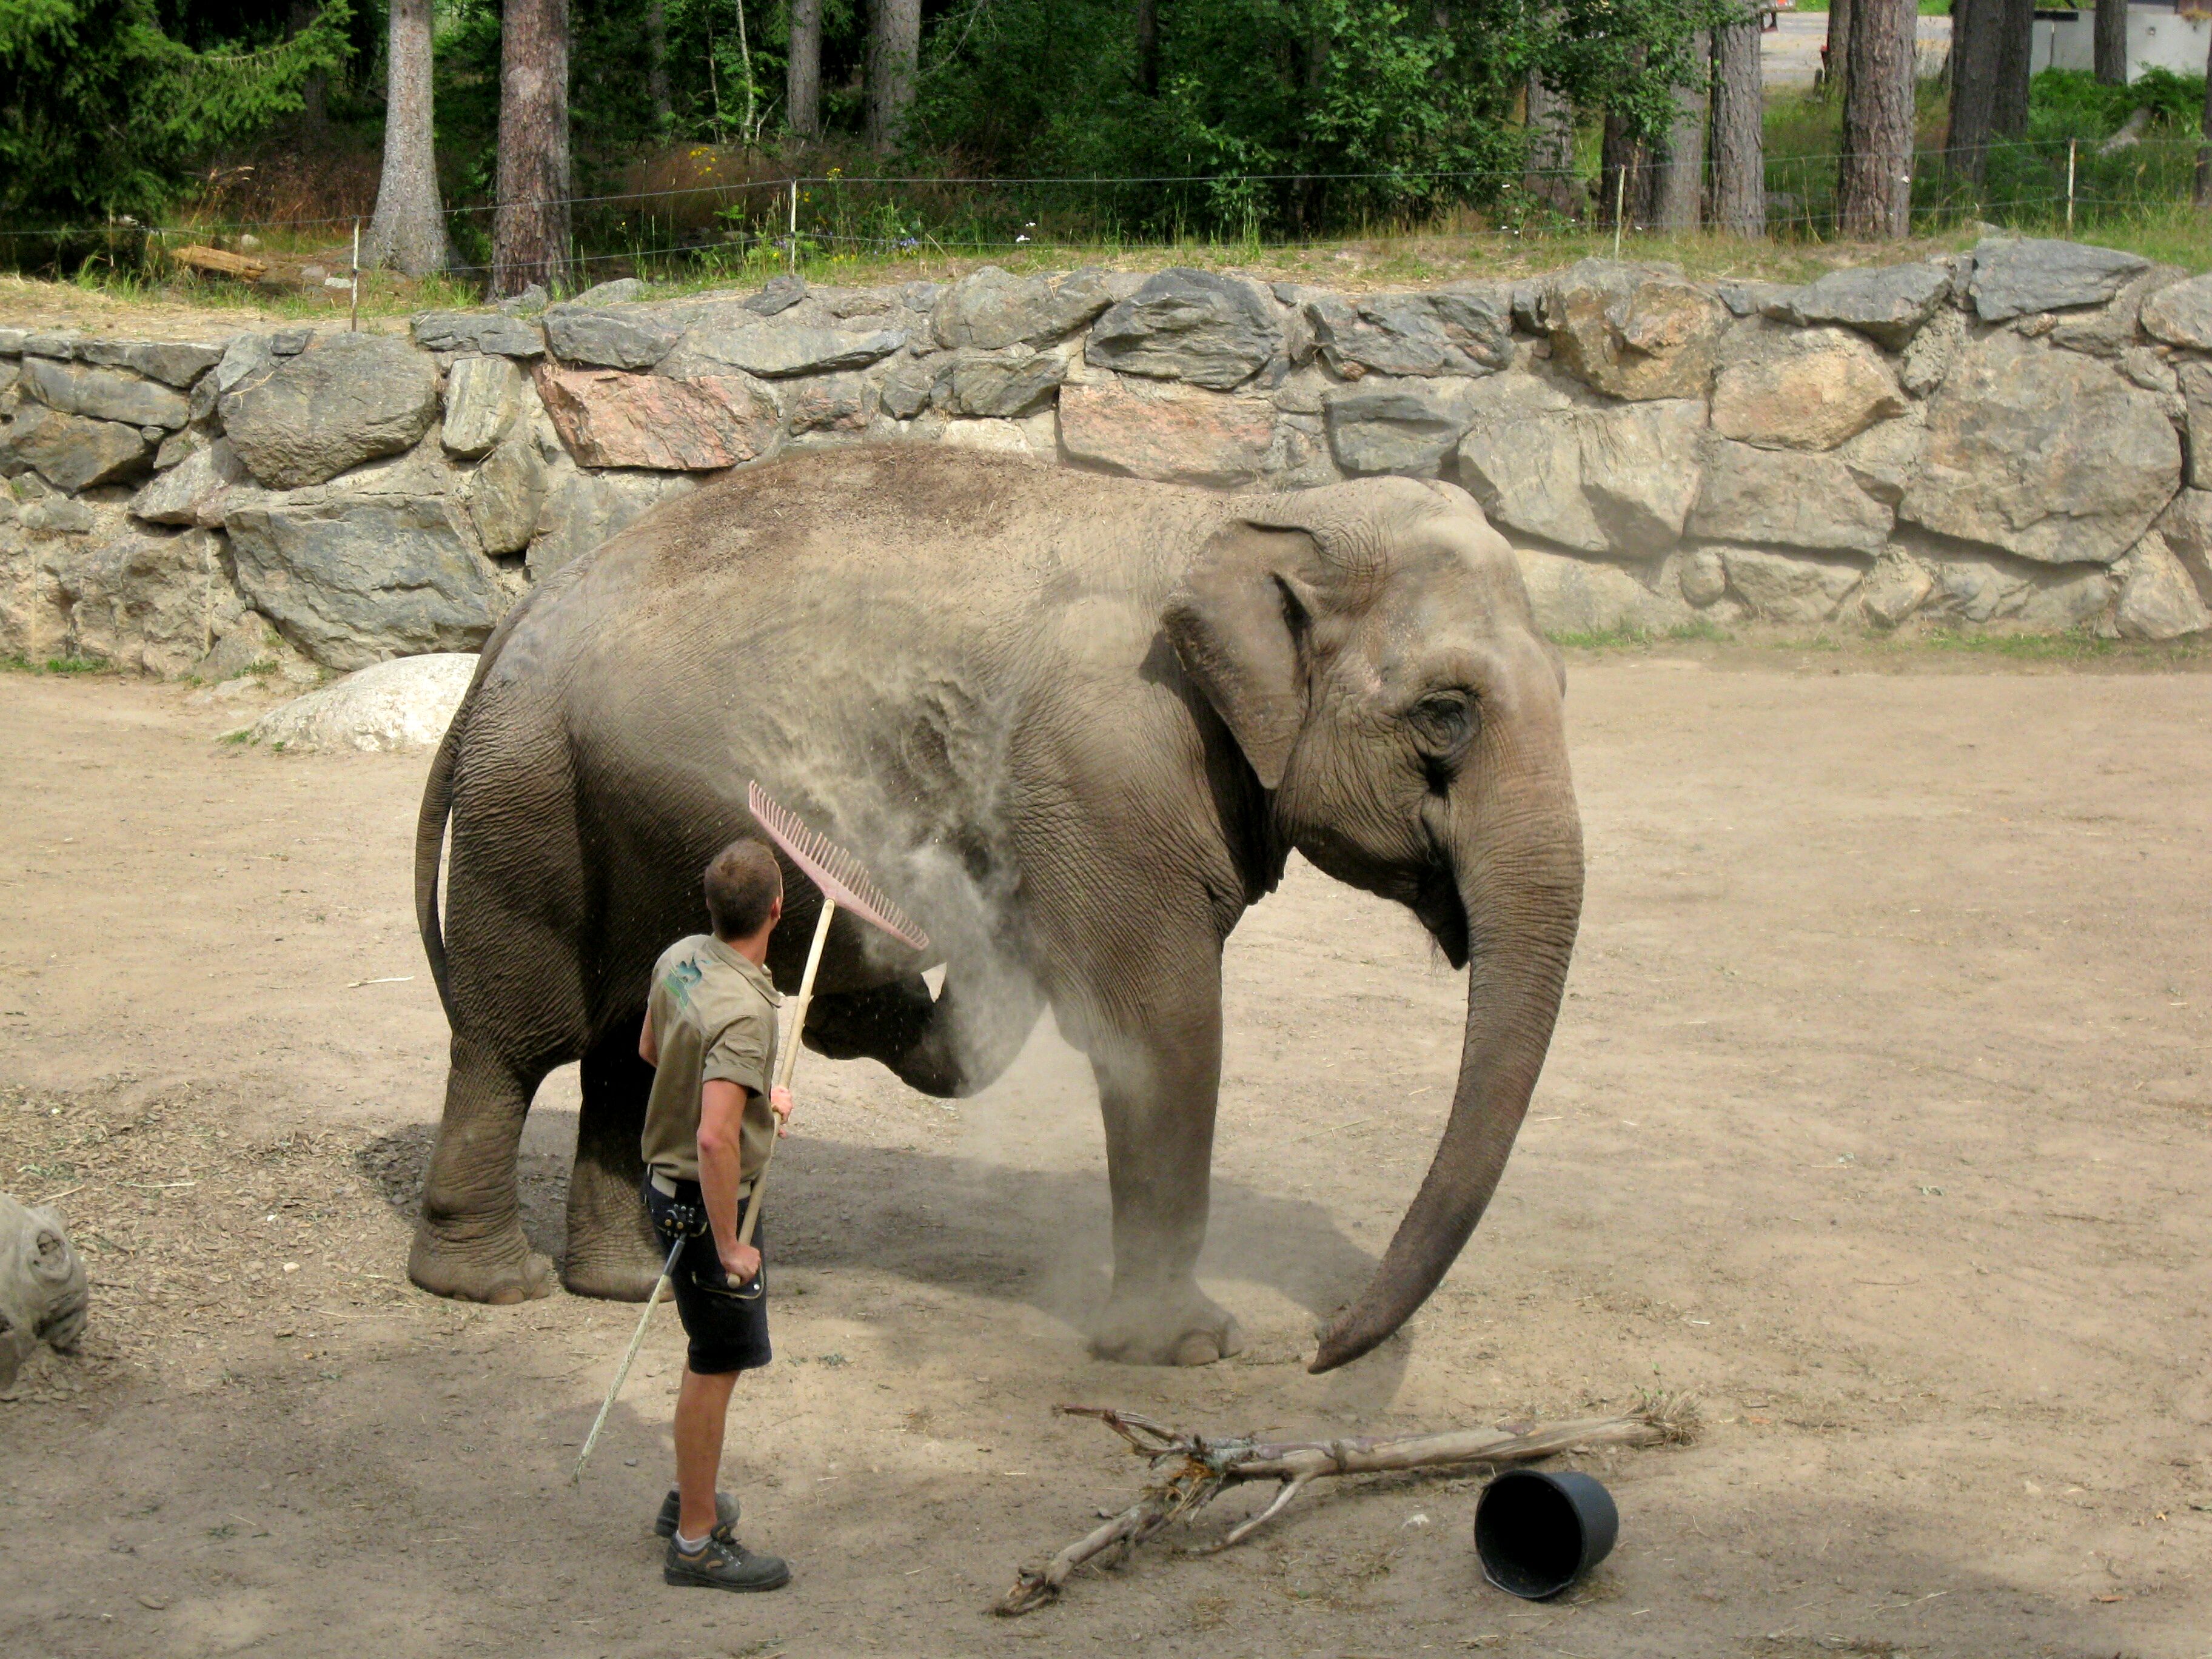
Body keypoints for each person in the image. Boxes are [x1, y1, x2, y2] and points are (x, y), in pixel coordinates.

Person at [637, 836, 795, 1592]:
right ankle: (697, 1543)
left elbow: (650, 1050)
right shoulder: (747, 1011)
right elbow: (713, 1134)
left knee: (707, 1351)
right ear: (776, 908)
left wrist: (758, 1096)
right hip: (706, 1209)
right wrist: (730, 1243)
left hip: (661, 1190)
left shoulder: (680, 959)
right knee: (716, 1363)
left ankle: (688, 1501)